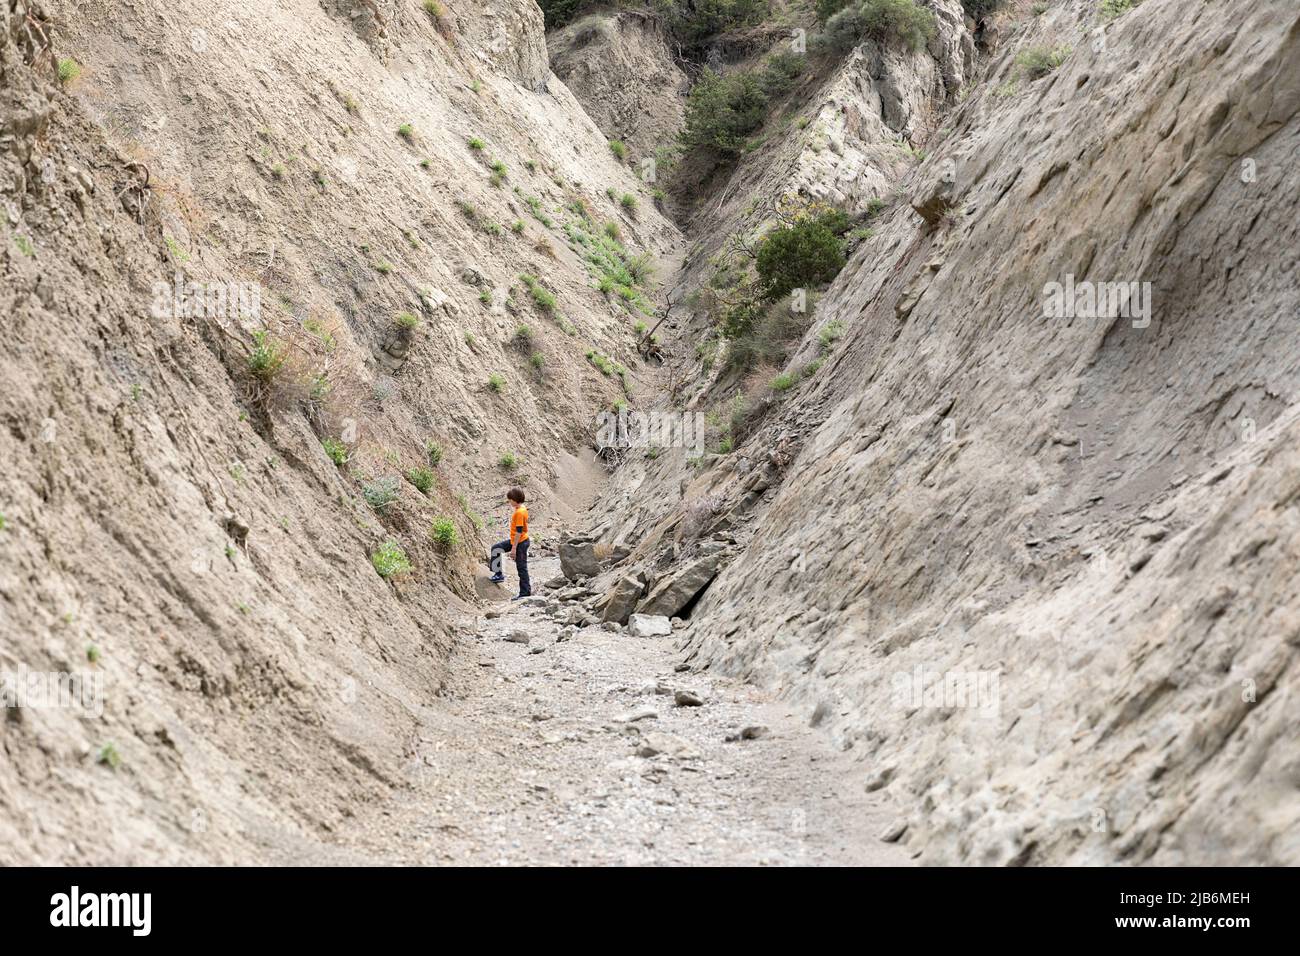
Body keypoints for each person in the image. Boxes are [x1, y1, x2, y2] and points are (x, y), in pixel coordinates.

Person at [488, 487, 530, 599]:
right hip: (517, 540)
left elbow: (519, 532)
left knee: (521, 567)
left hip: (520, 542)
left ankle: (525, 593)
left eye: (510, 499)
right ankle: (498, 574)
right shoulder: (521, 508)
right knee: (496, 548)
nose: (509, 502)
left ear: (515, 499)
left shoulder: (520, 512)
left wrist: (514, 548)